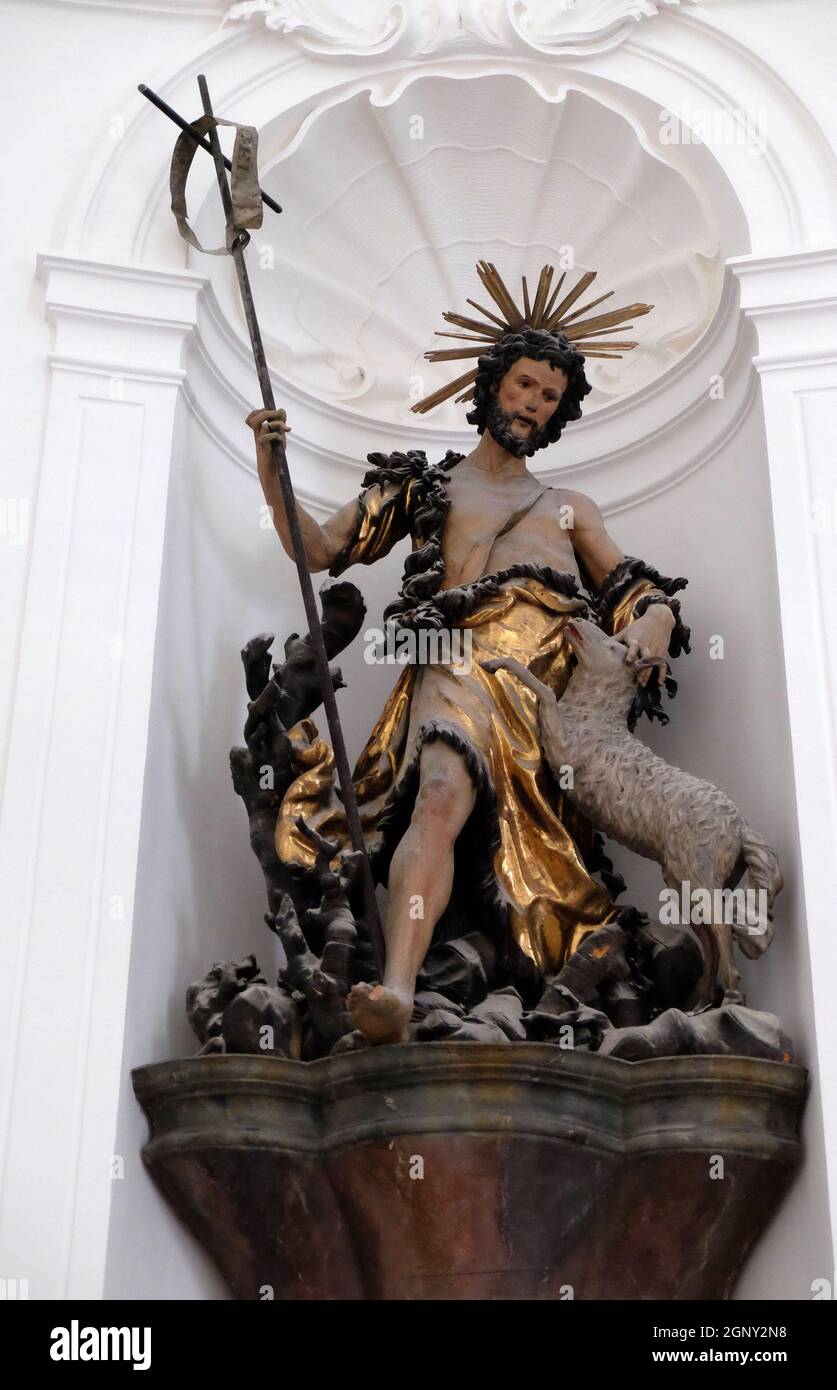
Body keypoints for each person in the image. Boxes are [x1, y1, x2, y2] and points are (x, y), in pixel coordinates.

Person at [248, 321, 688, 1044]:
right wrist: (274, 476)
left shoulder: (567, 507)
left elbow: (633, 588)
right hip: (452, 663)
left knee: (543, 861)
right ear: (490, 386)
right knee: (441, 794)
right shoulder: (424, 487)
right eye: (524, 385)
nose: (535, 403)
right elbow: (319, 547)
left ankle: (520, 981)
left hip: (543, 701)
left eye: (550, 396)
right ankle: (394, 989)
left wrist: (656, 622)